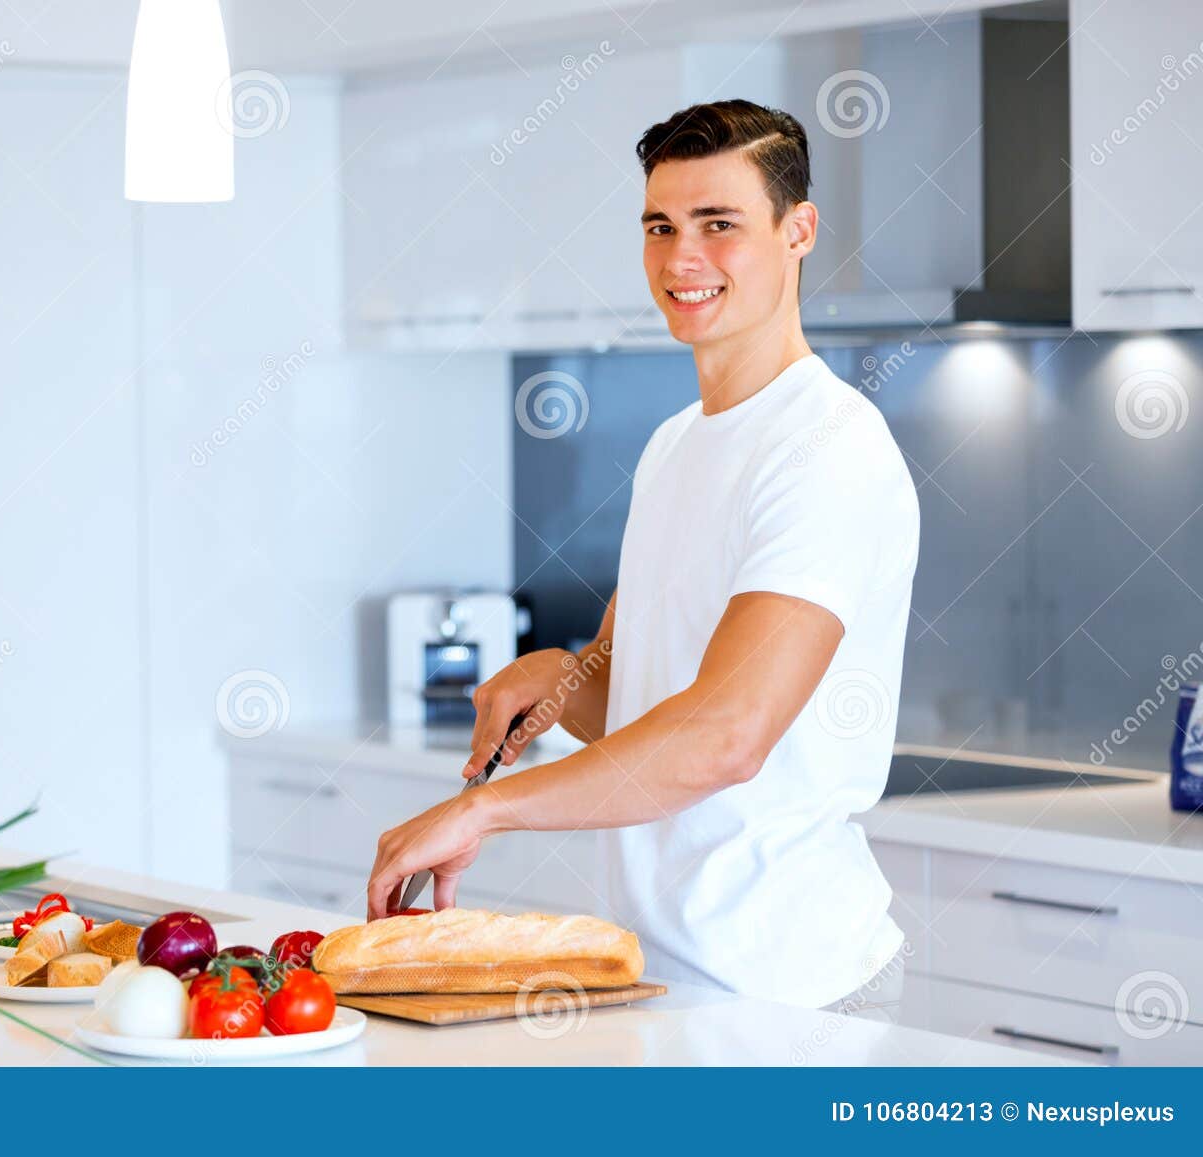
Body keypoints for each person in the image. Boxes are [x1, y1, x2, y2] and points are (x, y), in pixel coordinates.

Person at [365, 100, 920, 1016]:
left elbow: (725, 735)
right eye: (660, 227)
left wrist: (484, 810)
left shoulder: (830, 447)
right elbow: (637, 689)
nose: (680, 259)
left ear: (799, 231)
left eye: (719, 225)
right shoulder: (675, 443)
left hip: (792, 988)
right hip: (663, 972)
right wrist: (560, 676)